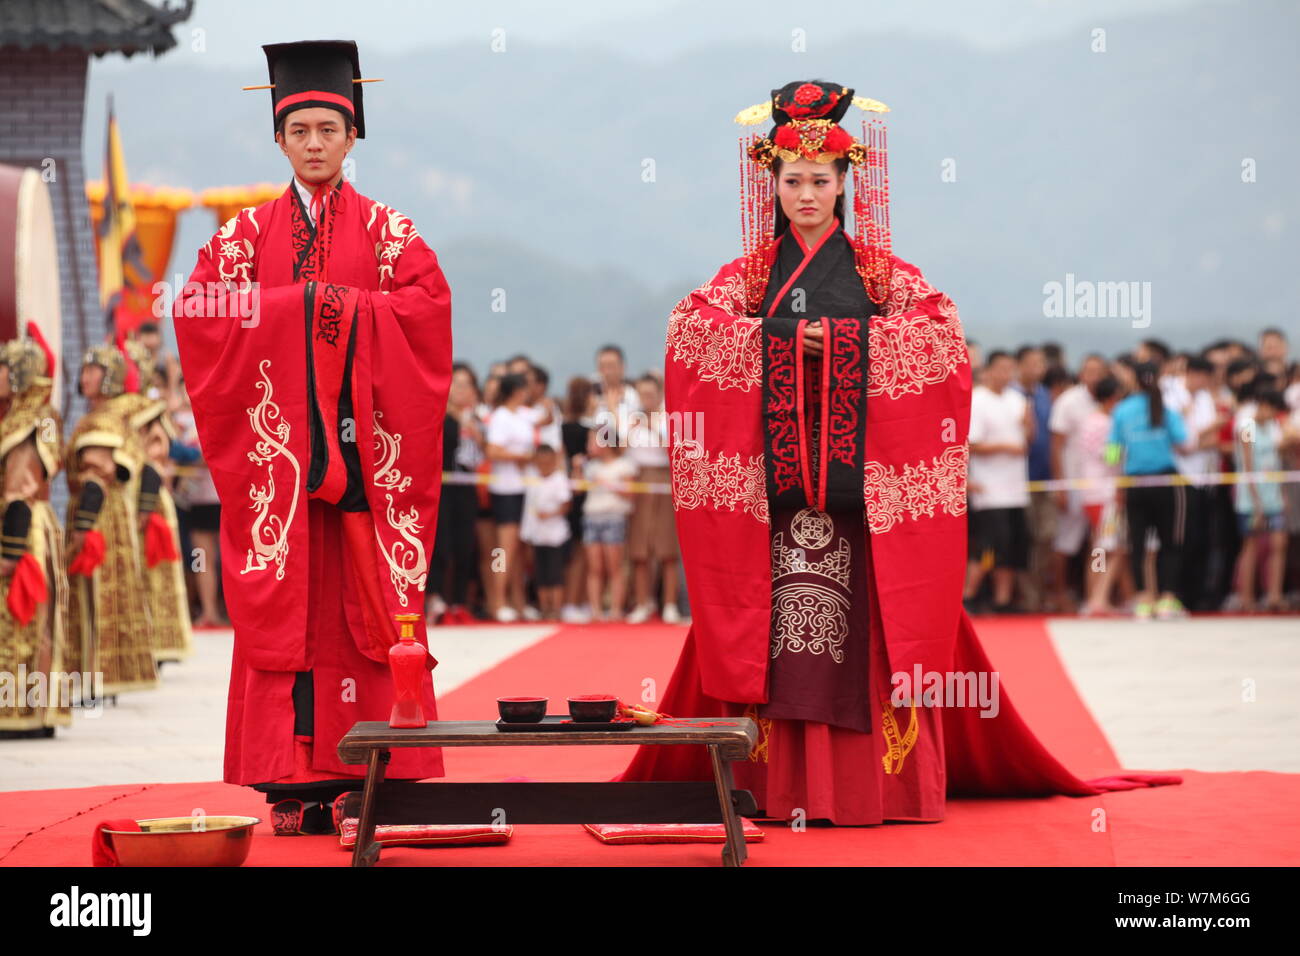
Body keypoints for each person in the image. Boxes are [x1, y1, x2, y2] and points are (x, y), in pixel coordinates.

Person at [617, 80, 1179, 825]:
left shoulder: (885, 277)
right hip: (778, 501)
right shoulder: (747, 280)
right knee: (781, 638)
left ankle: (870, 788)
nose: (807, 195)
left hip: (862, 502)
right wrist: (782, 338)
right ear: (772, 183)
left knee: (863, 642)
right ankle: (775, 788)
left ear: (847, 182)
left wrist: (845, 344)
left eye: (821, 180)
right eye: (792, 181)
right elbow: (692, 334)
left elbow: (941, 341)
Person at [171, 40, 452, 834]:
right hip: (281, 470)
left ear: (353, 135)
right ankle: (290, 782)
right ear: (279, 140)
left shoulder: (391, 234)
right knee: (287, 615)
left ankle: (369, 772)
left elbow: (427, 311)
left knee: (364, 612)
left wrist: (330, 314)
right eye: (302, 131)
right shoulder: (241, 236)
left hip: (365, 466)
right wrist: (304, 315)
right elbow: (197, 314)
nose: (317, 143)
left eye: (331, 127)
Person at [65, 343, 158, 696]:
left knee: (94, 592)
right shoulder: (105, 419)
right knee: (104, 592)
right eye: (85, 369)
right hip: (113, 513)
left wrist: (82, 528)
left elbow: (96, 480)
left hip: (99, 514)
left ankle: (96, 676)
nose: (86, 376)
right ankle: (104, 676)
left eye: (95, 370)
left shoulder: (102, 422)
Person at [0, 326, 72, 734]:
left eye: (4, 369)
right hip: (29, 523)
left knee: (23, 619)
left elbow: (21, 486)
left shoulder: (32, 420)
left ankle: (24, 715)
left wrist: (11, 551)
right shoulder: (24, 415)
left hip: (23, 528)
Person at [1106, 362, 1192, 621]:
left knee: (1138, 545)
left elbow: (1112, 453)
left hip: (1135, 483)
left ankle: (1144, 600)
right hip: (1166, 482)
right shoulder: (1167, 409)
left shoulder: (1122, 410)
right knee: (1171, 543)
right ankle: (1166, 600)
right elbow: (1184, 444)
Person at [965, 350, 1032, 613]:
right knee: (988, 546)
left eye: (1010, 369)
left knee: (1013, 546)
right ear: (989, 370)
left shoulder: (1018, 399)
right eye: (1001, 369)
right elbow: (970, 444)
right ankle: (968, 596)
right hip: (989, 489)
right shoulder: (978, 400)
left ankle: (1002, 600)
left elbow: (1028, 440)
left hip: (1016, 487)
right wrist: (1005, 447)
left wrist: (1029, 423)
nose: (1006, 374)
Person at [1232, 389, 1298, 611]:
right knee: (1250, 545)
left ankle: (1274, 595)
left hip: (1274, 495)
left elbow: (1280, 458)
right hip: (1251, 497)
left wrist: (1282, 494)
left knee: (1279, 543)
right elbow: (1247, 464)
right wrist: (1256, 502)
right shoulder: (1247, 427)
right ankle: (1246, 597)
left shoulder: (1274, 427)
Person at [624, 373, 681, 624]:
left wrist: (653, 429)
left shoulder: (673, 416)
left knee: (667, 548)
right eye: (642, 394)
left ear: (660, 393)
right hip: (638, 480)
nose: (646, 398)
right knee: (640, 548)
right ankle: (643, 602)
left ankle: (669, 604)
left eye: (650, 393)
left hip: (664, 479)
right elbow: (617, 448)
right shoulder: (631, 419)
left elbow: (680, 448)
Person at [485, 371, 538, 622]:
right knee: (504, 548)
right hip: (505, 488)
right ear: (517, 391)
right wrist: (522, 457)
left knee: (518, 548)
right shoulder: (501, 417)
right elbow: (493, 450)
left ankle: (518, 602)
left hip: (523, 487)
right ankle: (498, 601)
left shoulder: (522, 416)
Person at [581, 428, 636, 622]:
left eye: (593, 441)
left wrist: (607, 484)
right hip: (592, 516)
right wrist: (576, 468)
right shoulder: (590, 466)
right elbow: (577, 489)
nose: (589, 446)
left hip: (614, 517)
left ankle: (615, 609)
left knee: (614, 566)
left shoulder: (624, 465)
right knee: (594, 567)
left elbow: (630, 494)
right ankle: (595, 610)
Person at [519, 445, 571, 620]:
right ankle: (544, 608)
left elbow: (566, 504)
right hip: (537, 535)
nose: (544, 466)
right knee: (540, 574)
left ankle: (556, 609)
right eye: (540, 463)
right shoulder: (532, 478)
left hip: (556, 535)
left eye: (548, 462)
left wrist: (550, 514)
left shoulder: (559, 478)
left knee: (555, 574)